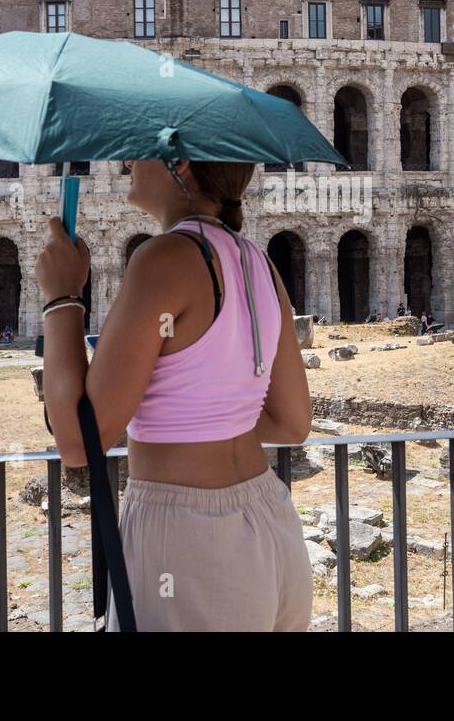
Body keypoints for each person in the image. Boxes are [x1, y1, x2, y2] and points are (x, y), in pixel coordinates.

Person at [36, 157, 314, 631]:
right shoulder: (259, 262)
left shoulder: (163, 258)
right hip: (271, 525)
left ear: (180, 164)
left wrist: (62, 297)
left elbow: (79, 442)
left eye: (139, 149)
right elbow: (293, 421)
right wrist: (199, 407)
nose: (126, 161)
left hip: (188, 538)